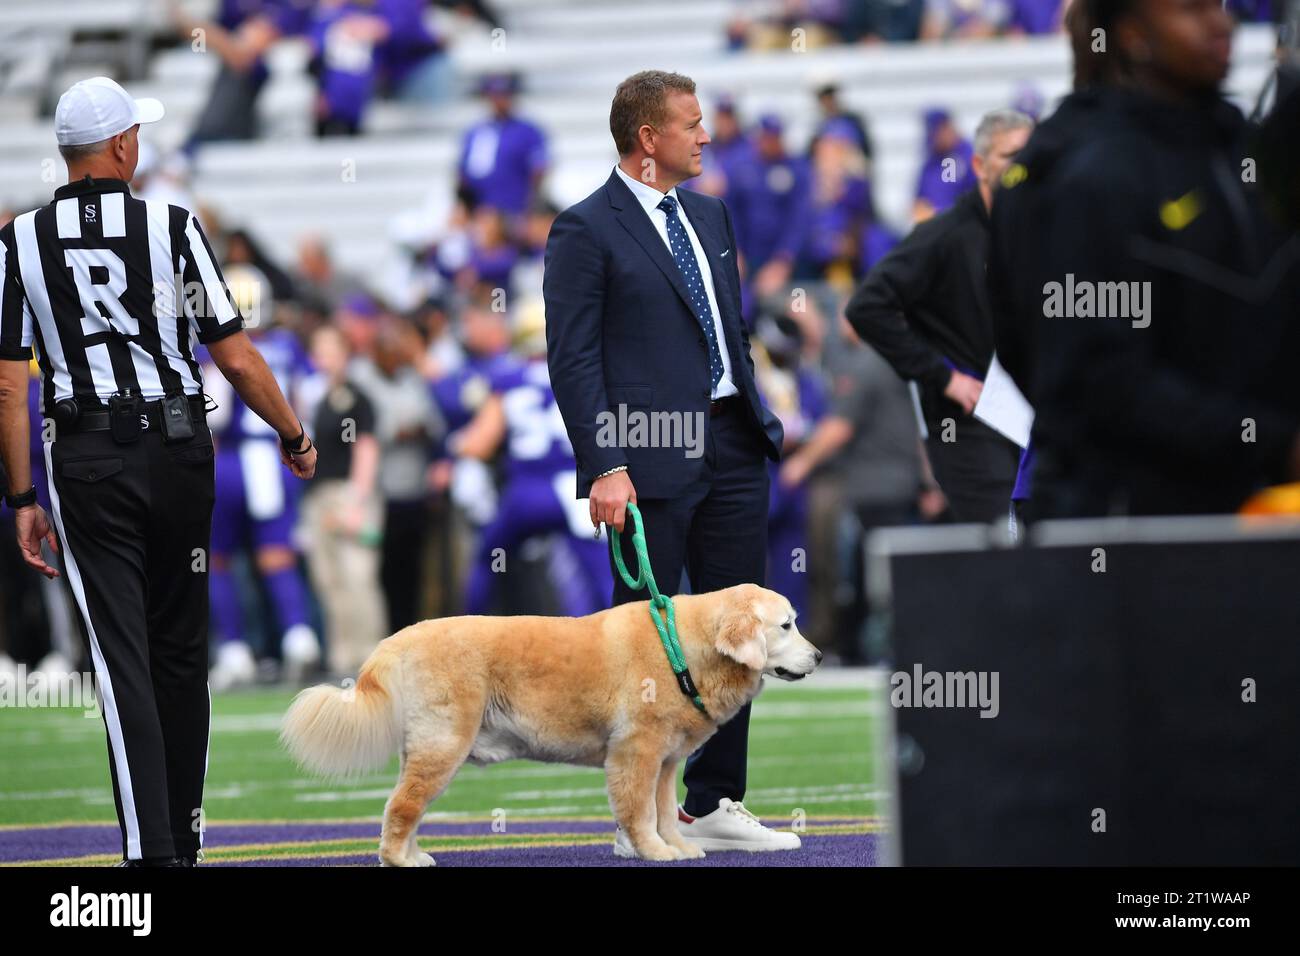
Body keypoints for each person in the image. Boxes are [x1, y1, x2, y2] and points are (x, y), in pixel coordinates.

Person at [0, 77, 315, 866]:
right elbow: (234, 355)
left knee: (120, 658)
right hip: (179, 450)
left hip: (90, 454)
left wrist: (21, 497)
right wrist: (295, 433)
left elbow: (9, 384)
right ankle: (184, 836)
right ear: (120, 146)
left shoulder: (19, 241)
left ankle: (153, 853)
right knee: (181, 649)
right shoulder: (171, 224)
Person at [544, 70, 797, 853]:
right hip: (645, 455)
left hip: (733, 441)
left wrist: (758, 413)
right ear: (648, 140)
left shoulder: (712, 213)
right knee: (641, 642)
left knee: (742, 631)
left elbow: (729, 327)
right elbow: (573, 359)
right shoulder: (584, 228)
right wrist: (605, 466)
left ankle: (713, 802)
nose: (706, 134)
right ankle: (638, 818)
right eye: (691, 124)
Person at [988, 0, 1300, 518]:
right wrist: (1275, 445)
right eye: (1192, 10)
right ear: (1132, 34)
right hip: (1126, 540)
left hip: (1256, 519)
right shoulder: (1083, 177)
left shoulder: (1240, 150)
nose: (1221, 24)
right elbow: (1095, 385)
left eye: (1219, 7)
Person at [845, 108, 1033, 524]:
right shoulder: (942, 236)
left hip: (1030, 418)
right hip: (968, 426)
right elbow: (866, 307)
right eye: (1012, 155)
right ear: (981, 165)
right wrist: (943, 376)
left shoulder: (1036, 229)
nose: (1024, 167)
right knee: (1001, 550)